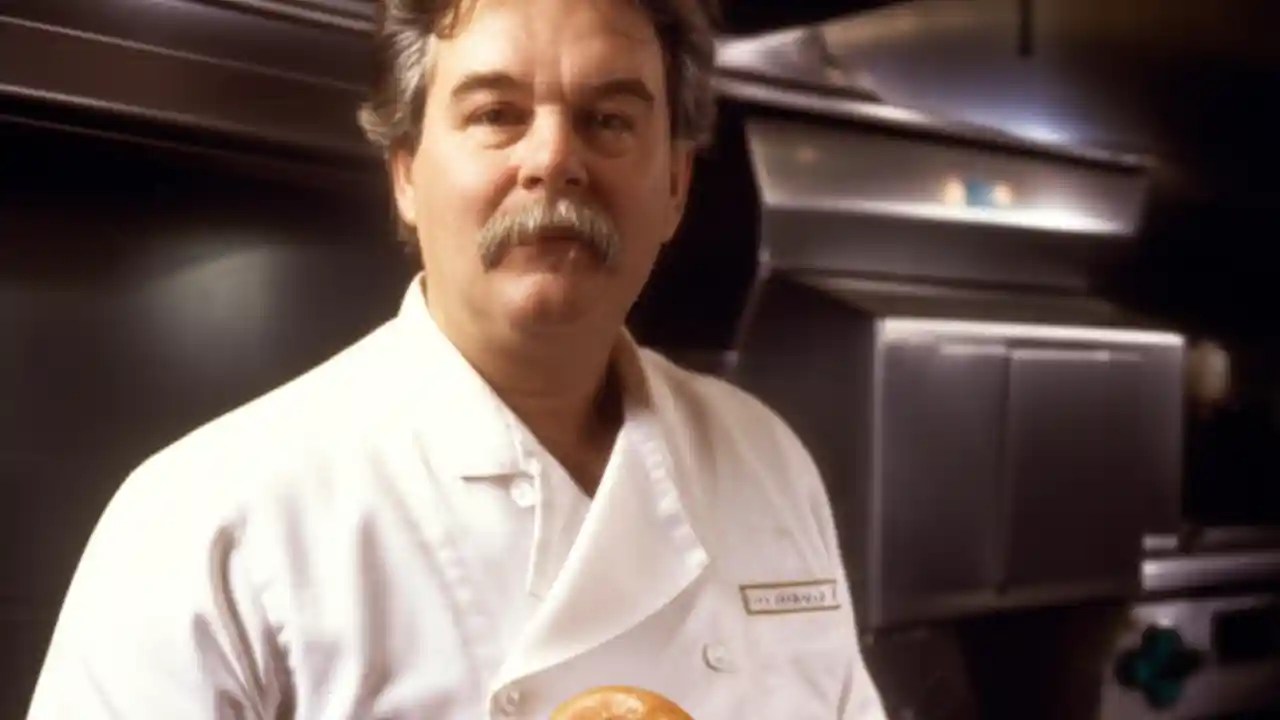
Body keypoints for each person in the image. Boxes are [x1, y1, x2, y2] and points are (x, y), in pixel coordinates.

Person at [27, 0, 886, 717]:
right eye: (495, 114)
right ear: (406, 171)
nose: (553, 160)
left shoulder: (765, 461)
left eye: (610, 120)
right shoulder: (207, 523)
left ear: (675, 185)